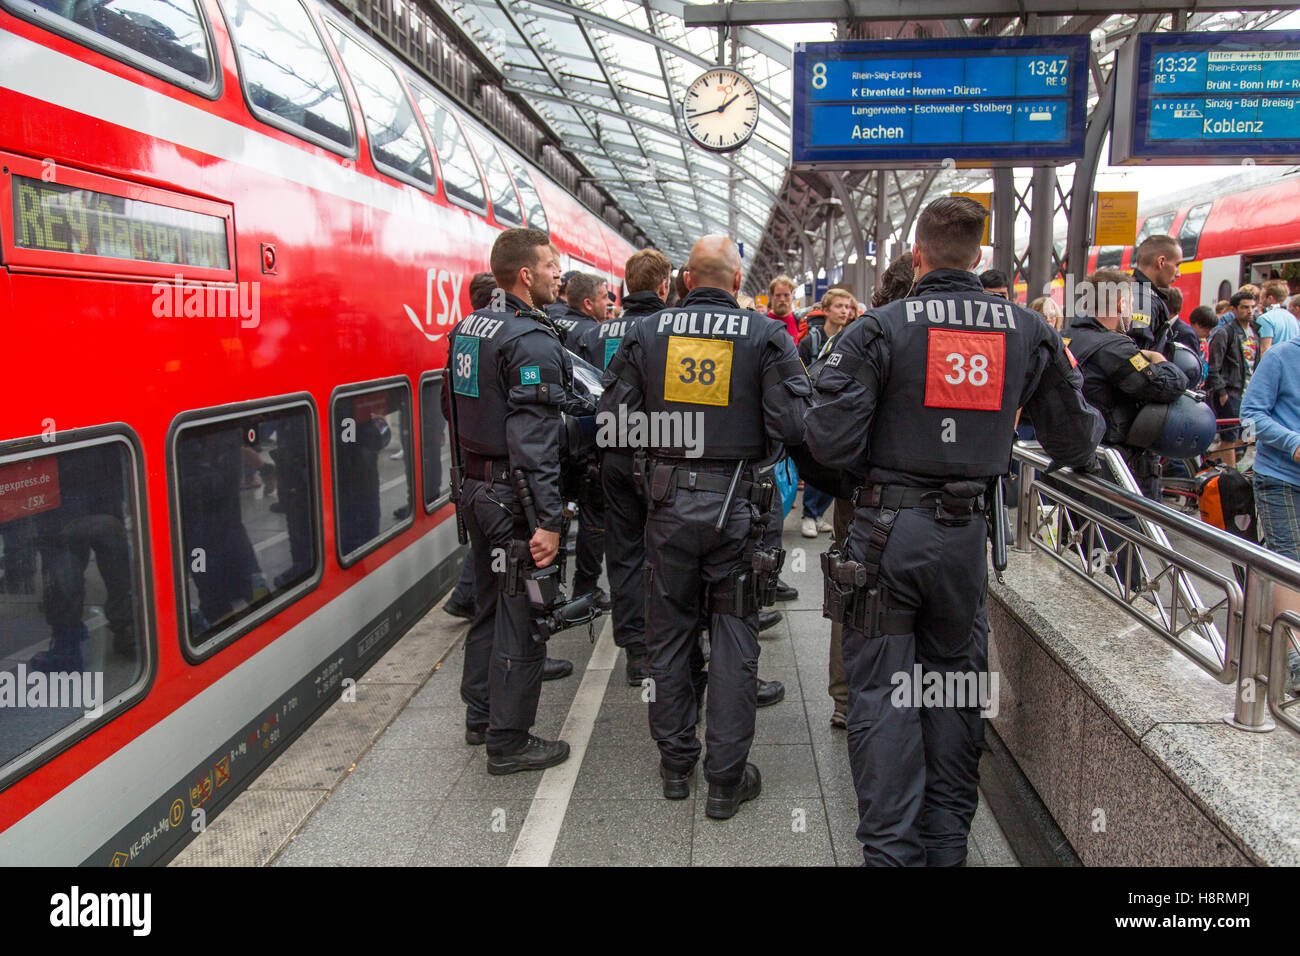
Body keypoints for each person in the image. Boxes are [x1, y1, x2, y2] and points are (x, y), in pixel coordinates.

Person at [806, 197, 1103, 866]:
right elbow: (1076, 438)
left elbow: (828, 441)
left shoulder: (878, 328)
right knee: (954, 686)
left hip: (885, 534)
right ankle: (947, 846)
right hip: (966, 541)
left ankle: (890, 853)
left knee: (881, 692)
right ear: (981, 258)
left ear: (918, 257)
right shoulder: (1027, 330)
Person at [598, 235, 811, 817]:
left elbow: (611, 421)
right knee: (735, 636)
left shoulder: (644, 333)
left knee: (667, 635)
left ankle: (674, 766)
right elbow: (795, 423)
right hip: (738, 510)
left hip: (667, 508)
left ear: (686, 279)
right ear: (738, 282)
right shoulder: (767, 335)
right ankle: (724, 780)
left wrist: (661, 454)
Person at [444, 227, 572, 773]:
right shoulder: (530, 341)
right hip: (512, 497)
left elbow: (452, 411)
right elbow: (535, 442)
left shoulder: (467, 328)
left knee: (490, 605)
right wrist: (548, 519)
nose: (555, 275)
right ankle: (509, 741)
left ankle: (479, 715)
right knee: (524, 615)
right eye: (549, 266)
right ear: (526, 274)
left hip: (475, 489)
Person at [822, 252, 912, 730]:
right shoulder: (946, 339)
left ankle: (847, 698)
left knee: (852, 586)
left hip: (862, 493)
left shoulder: (860, 335)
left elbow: (824, 425)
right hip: (934, 503)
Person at [1240, 331, 1300, 691]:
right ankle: (1295, 657)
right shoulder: (1280, 357)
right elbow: (1249, 418)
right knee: (1290, 563)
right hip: (1280, 478)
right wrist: (1292, 443)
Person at [798, 287, 856, 537]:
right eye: (839, 306)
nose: (845, 311)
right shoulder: (810, 340)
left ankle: (819, 513)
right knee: (816, 460)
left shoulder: (854, 337)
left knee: (834, 464)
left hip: (839, 408)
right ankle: (809, 515)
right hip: (813, 406)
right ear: (827, 309)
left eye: (848, 307)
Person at [1206, 290, 1261, 466]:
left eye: (1252, 307)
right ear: (1234, 309)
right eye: (1245, 307)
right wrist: (1222, 393)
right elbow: (1214, 366)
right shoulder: (1224, 333)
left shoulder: (1255, 332)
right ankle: (1232, 476)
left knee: (1246, 438)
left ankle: (1207, 464)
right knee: (1229, 438)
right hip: (1231, 393)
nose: (1250, 311)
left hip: (1249, 394)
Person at [1128, 234, 1181, 354]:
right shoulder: (1143, 300)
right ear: (1161, 262)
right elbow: (1139, 355)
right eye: (1177, 265)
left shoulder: (1132, 291)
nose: (1178, 274)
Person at [1257, 279, 1300, 355]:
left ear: (1270, 298)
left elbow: (1265, 349)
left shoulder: (1265, 319)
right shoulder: (1293, 318)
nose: (1260, 301)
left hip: (1273, 363)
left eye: (1262, 297)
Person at [768, 275, 800, 341]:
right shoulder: (762, 321)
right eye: (778, 295)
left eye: (786, 295)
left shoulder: (799, 321)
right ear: (772, 296)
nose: (782, 299)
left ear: (792, 296)